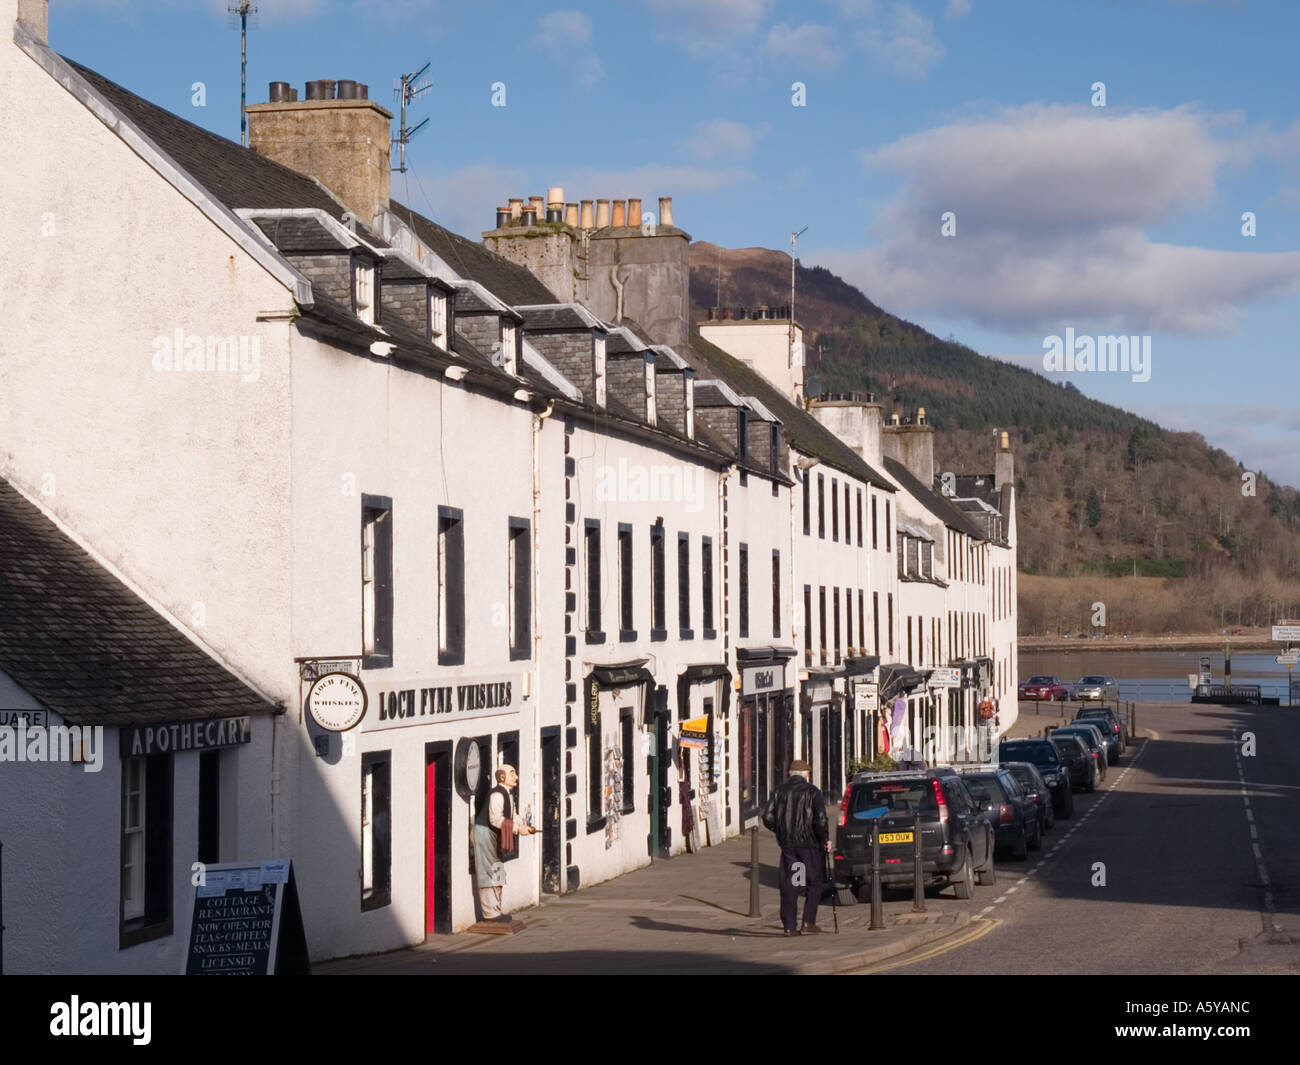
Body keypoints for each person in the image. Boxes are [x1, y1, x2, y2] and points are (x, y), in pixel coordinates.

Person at [760, 759, 830, 936]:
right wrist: (825, 839)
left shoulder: (779, 791)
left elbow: (767, 816)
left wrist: (780, 830)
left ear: (790, 774)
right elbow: (820, 819)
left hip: (788, 845)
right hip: (809, 844)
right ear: (806, 774)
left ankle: (789, 926)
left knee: (789, 883)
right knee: (814, 881)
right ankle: (808, 921)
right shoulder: (813, 792)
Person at [473, 765, 537, 923]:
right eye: (512, 774)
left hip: (495, 835)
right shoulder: (496, 795)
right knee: (489, 871)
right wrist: (516, 829)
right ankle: (490, 914)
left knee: (498, 870)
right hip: (485, 834)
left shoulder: (508, 794)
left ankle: (496, 910)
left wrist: (523, 826)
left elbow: (512, 815)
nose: (516, 777)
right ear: (502, 777)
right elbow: (495, 819)